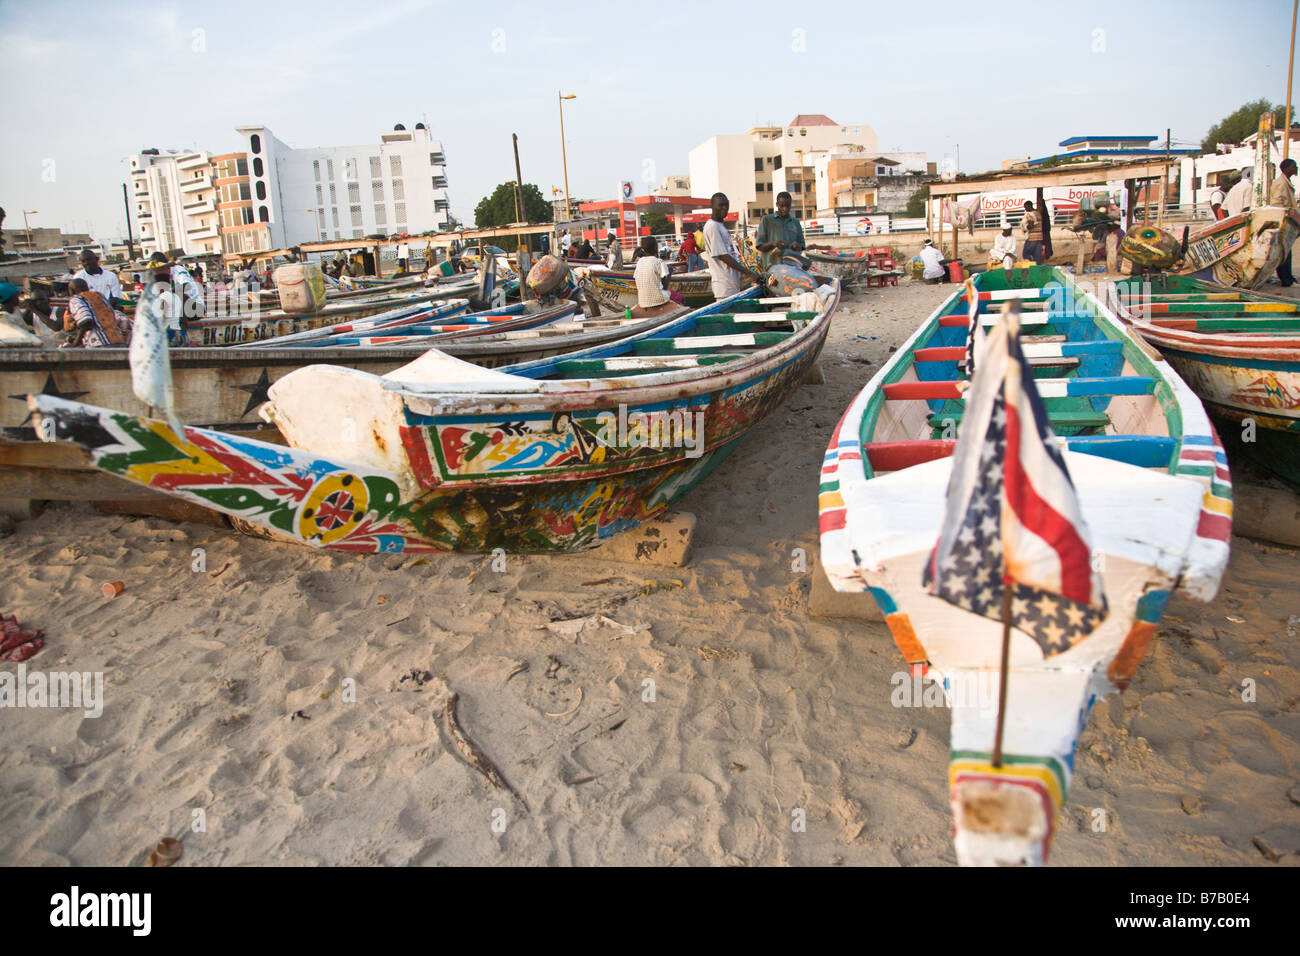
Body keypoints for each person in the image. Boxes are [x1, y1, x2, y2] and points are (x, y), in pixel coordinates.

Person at [703, 192, 760, 300]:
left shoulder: (720, 226)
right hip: (724, 287)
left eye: (726, 205)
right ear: (712, 206)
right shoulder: (712, 226)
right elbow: (723, 256)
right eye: (720, 205)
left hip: (732, 285)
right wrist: (749, 273)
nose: (724, 208)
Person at [65, 278, 130, 347]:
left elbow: (86, 322)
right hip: (118, 339)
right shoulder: (99, 295)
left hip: (100, 342)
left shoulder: (76, 299)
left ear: (71, 290)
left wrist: (76, 342)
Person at [755, 191, 806, 270]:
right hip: (771, 269)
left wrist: (797, 246)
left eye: (787, 206)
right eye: (782, 206)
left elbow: (802, 246)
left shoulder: (795, 222)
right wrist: (773, 243)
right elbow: (759, 246)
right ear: (777, 204)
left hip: (791, 270)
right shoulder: (766, 220)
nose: (785, 209)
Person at [632, 237, 682, 310]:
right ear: (655, 247)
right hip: (658, 300)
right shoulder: (659, 262)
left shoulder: (639, 262)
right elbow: (665, 286)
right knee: (680, 298)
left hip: (642, 301)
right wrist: (669, 273)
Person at [1271, 158, 1297, 286]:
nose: (1296, 168)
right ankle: (1286, 279)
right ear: (1286, 168)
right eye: (1294, 166)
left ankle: (1288, 277)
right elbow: (1277, 203)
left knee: (1286, 251)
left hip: (1288, 223)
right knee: (1284, 252)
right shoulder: (1280, 183)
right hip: (1282, 222)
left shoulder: (1286, 182)